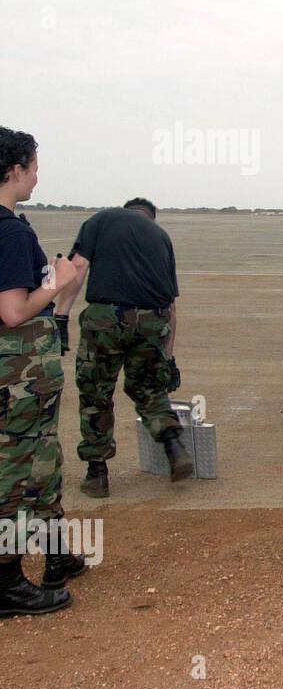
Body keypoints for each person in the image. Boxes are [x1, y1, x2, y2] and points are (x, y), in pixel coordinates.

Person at [0, 126, 88, 616]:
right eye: (33, 166)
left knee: (42, 461)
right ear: (14, 172)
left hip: (21, 377)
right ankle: (7, 581)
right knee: (16, 473)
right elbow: (13, 311)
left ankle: (57, 555)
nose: (37, 175)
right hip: (17, 379)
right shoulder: (9, 231)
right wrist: (59, 281)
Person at [64, 198, 192, 497]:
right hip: (152, 322)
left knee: (96, 392)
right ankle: (173, 444)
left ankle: (97, 473)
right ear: (151, 217)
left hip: (107, 320)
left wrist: (60, 314)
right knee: (148, 388)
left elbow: (77, 267)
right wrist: (167, 357)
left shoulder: (102, 220)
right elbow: (171, 307)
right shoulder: (161, 237)